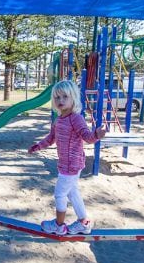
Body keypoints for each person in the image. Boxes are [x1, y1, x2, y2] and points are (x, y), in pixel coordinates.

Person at [28, 79, 105, 235]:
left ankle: (59, 225)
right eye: (57, 97)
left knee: (60, 194)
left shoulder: (76, 118)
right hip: (67, 164)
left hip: (71, 165)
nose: (60, 100)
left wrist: (97, 135)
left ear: (73, 99)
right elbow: (51, 138)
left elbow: (87, 137)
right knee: (72, 192)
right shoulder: (58, 120)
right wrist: (38, 146)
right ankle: (83, 222)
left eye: (65, 97)